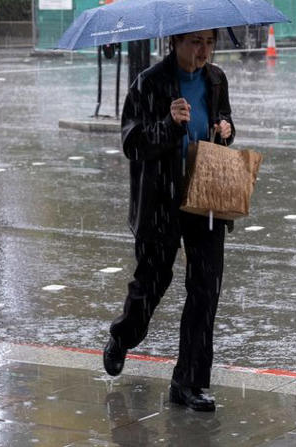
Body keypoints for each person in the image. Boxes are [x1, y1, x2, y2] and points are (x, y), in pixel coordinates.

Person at [103, 28, 236, 412]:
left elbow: (224, 121)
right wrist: (169, 123)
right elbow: (132, 144)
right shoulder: (149, 83)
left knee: (205, 291)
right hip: (161, 200)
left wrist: (225, 128)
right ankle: (123, 336)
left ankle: (189, 382)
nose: (203, 51)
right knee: (151, 285)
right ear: (174, 42)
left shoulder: (215, 79)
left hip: (206, 194)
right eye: (196, 42)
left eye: (210, 43)